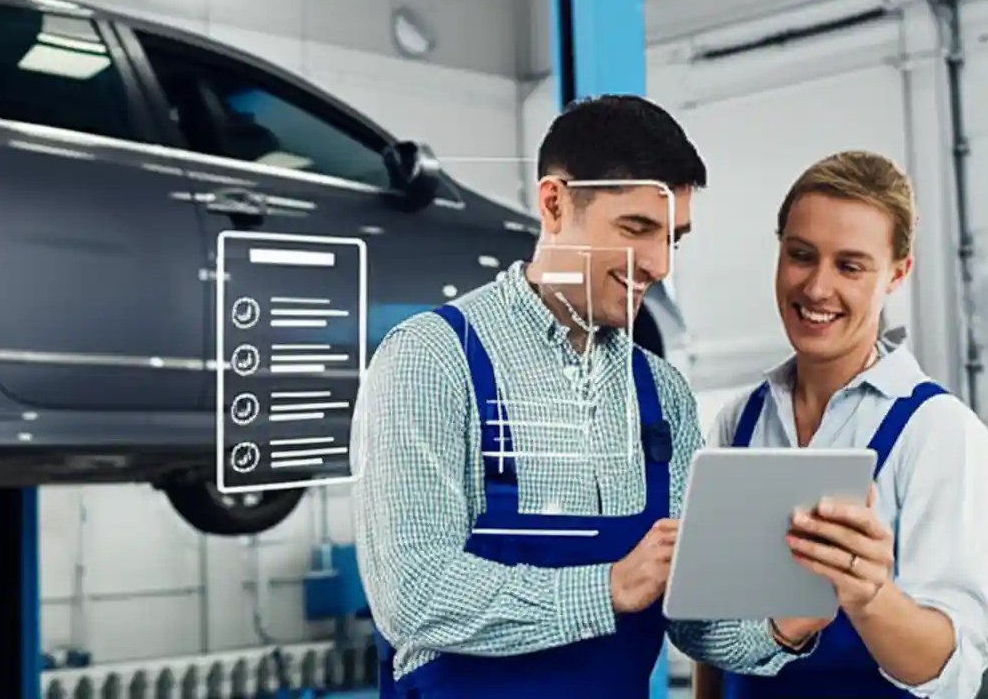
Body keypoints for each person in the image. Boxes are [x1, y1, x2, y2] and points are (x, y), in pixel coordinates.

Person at [351, 95, 820, 699]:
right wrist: (607, 588)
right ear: (554, 204)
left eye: (673, 238)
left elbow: (692, 614)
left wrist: (785, 625)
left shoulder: (662, 395)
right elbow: (411, 595)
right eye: (636, 229)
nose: (656, 264)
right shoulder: (433, 360)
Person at [691, 151, 988, 698]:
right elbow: (711, 632)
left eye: (850, 266)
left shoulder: (938, 434)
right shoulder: (740, 421)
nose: (816, 288)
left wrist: (869, 596)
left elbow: (952, 671)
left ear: (897, 274)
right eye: (801, 255)